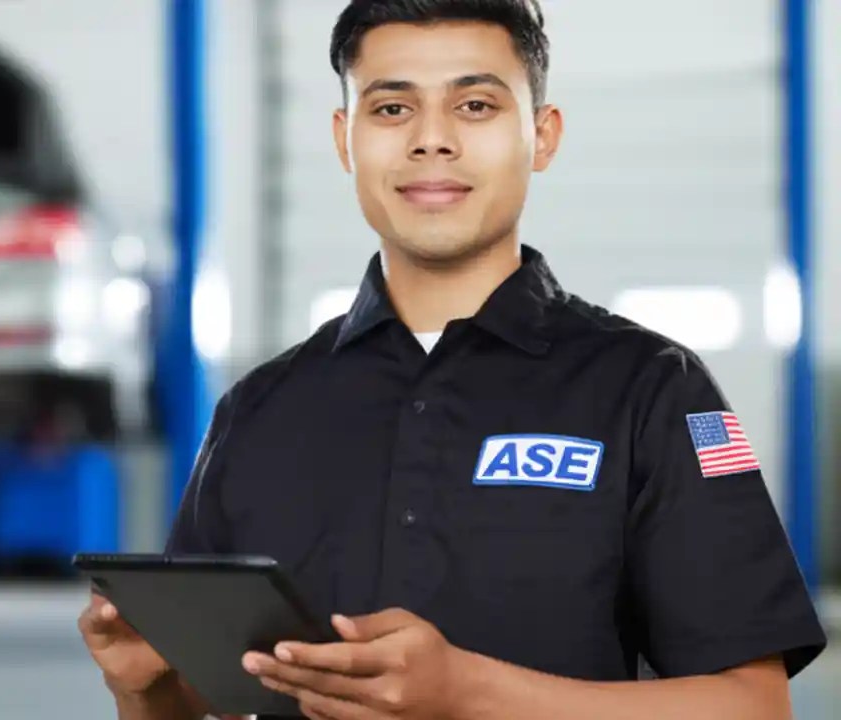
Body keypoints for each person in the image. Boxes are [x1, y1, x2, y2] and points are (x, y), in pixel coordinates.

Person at [78, 1, 827, 718]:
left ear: (543, 135)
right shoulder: (259, 410)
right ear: (345, 139)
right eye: (392, 108)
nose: (430, 140)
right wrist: (145, 691)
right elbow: (210, 697)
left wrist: (466, 694)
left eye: (474, 106)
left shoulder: (651, 389)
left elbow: (751, 706)